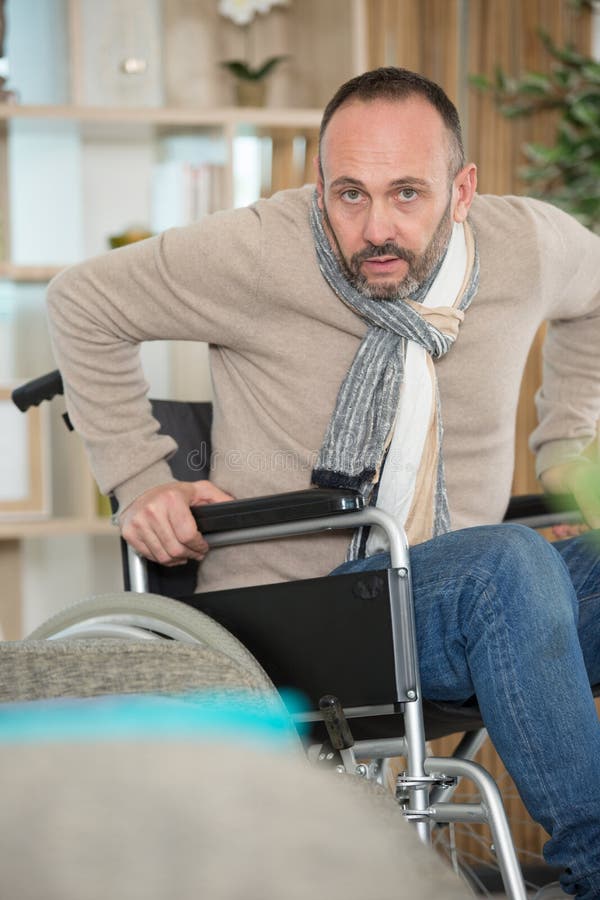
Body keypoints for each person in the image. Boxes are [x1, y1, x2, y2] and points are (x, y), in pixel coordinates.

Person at [46, 67, 600, 897]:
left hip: (451, 598)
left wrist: (568, 444)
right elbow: (81, 302)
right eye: (350, 195)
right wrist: (139, 477)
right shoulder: (261, 251)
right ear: (319, 188)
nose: (376, 227)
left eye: (407, 194)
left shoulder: (526, 247)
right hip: (298, 609)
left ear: (463, 190)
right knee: (508, 566)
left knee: (517, 566)